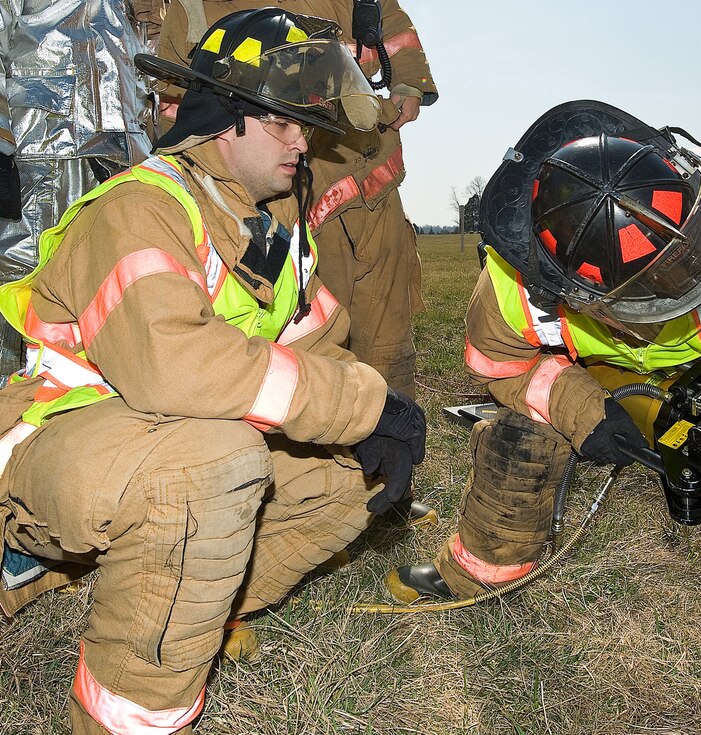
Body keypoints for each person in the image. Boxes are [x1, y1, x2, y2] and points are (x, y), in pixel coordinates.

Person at [0, 9, 425, 733]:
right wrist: (359, 404)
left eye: (306, 124)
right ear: (227, 118)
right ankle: (120, 702)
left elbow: (321, 351)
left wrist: (377, 411)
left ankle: (194, 601)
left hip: (155, 444)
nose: (303, 141)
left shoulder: (271, 233)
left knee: (348, 472)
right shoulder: (142, 206)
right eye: (284, 122)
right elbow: (175, 366)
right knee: (214, 466)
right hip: (54, 445)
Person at [386, 100, 701, 706]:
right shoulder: (512, 288)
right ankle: (481, 569)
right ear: (575, 289)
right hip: (599, 378)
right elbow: (501, 364)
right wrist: (586, 413)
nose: (683, 285)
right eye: (655, 286)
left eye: (690, 258)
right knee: (518, 444)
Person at [154, 0, 439, 526]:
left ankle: (392, 484)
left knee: (387, 334)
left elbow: (391, 27)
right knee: (312, 341)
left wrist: (408, 82)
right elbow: (181, 108)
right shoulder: (194, 6)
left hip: (369, 171)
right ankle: (323, 486)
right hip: (290, 199)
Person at [0, 0, 156, 375]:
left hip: (124, 152)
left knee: (104, 285)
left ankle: (73, 389)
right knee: (24, 272)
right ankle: (11, 388)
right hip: (44, 144)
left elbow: (139, 52)